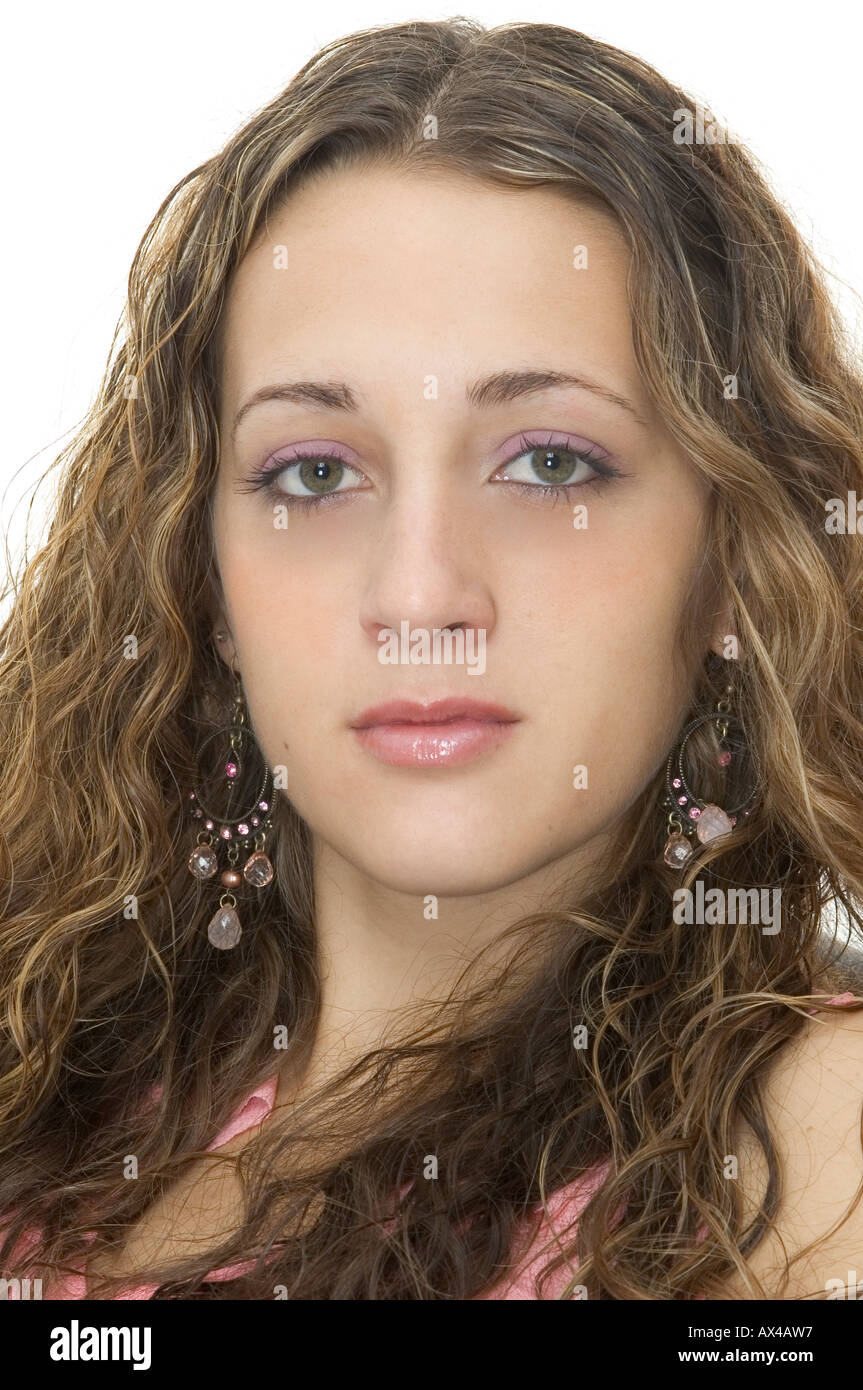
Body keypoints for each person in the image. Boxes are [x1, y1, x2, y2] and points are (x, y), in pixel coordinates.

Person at [1, 16, 863, 1302]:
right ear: (205, 578)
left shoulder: (811, 1151)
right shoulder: (47, 1063)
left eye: (550, 464)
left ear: (736, 558)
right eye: (313, 472)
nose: (419, 596)